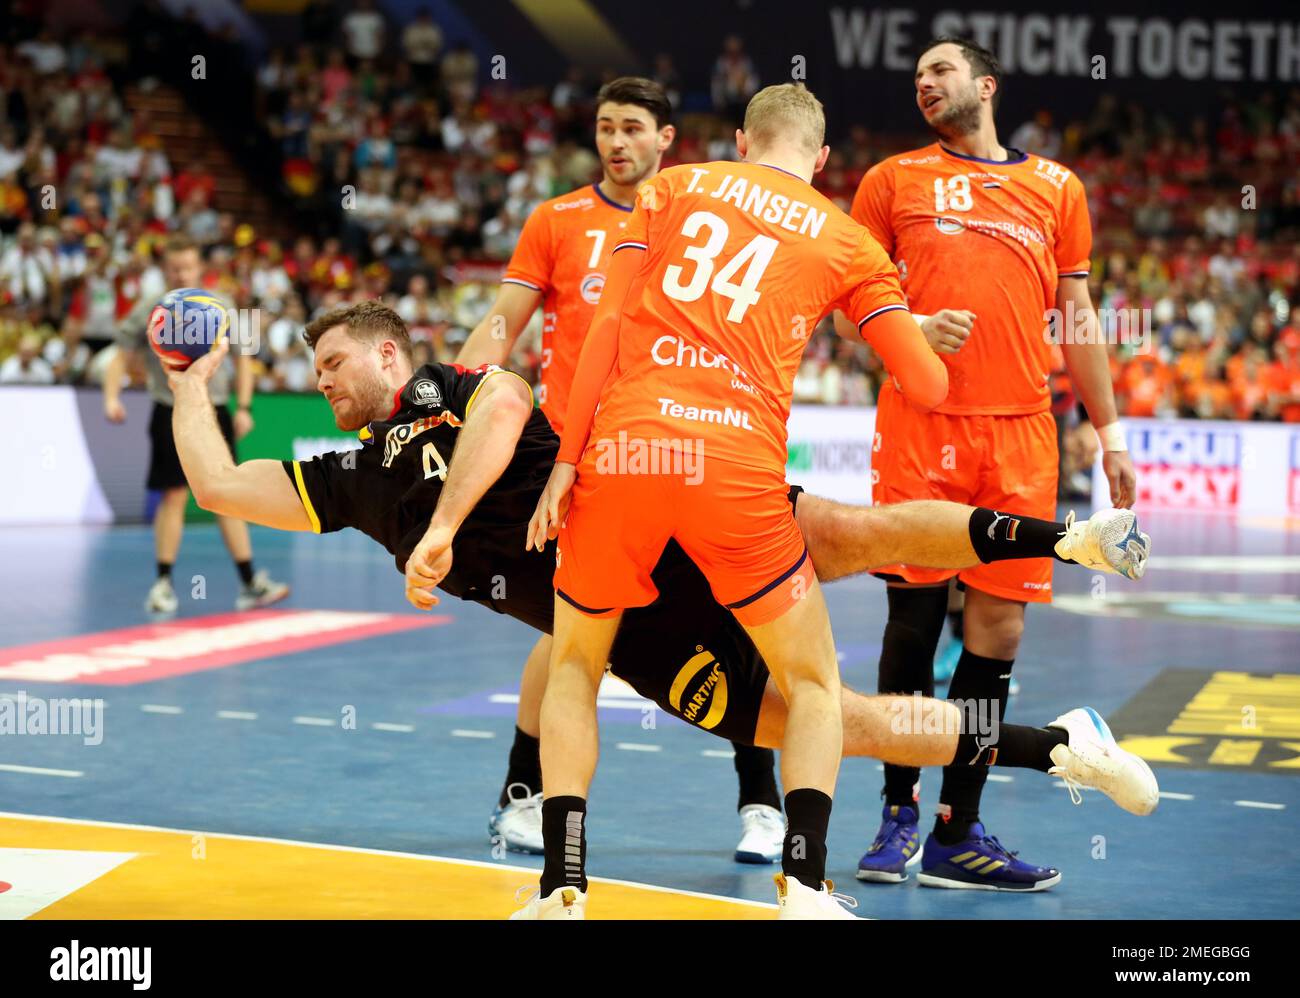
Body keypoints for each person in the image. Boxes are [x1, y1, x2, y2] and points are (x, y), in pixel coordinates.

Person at [167, 301, 1157, 918]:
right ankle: (1059, 743)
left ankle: (1062, 536)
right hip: (633, 626)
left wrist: (442, 529)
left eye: (335, 360)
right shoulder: (343, 480)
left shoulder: (444, 391)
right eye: (315, 368)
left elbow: (511, 404)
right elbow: (214, 482)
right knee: (846, 725)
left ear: (389, 354)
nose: (322, 379)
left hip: (663, 525)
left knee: (861, 532)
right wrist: (188, 386)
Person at [523, 83, 989, 918]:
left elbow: (605, 327)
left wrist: (565, 462)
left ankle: (562, 885)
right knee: (810, 684)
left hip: (625, 449)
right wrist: (915, 328)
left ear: (742, 141)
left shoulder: (671, 186)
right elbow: (926, 384)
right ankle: (804, 887)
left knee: (573, 667)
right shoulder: (847, 241)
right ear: (820, 160)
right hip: (734, 468)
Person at [457, 77, 787, 864]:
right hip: (577, 463)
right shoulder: (558, 220)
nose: (616, 142)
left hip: (686, 451)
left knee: (737, 615)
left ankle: (760, 803)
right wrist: (460, 391)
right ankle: (521, 795)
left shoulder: (700, 217)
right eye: (605, 128)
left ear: (666, 138)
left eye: (633, 128)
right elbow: (500, 325)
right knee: (566, 629)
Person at [837, 37, 1139, 891]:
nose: (925, 84)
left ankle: (956, 827)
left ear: (985, 84)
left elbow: (1077, 316)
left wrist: (1111, 435)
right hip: (921, 422)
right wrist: (905, 333)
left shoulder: (1056, 188)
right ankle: (897, 807)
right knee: (914, 618)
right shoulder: (891, 181)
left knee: (996, 632)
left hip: (1020, 434)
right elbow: (846, 296)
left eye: (941, 71)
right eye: (918, 77)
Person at [102, 236, 289, 614]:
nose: (179, 273)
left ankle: (250, 582)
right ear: (164, 269)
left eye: (186, 267)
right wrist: (110, 396)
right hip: (168, 407)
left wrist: (245, 407)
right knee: (173, 495)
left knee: (228, 494)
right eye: (172, 268)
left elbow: (246, 361)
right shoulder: (150, 308)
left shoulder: (227, 305)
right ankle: (163, 585)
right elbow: (121, 355)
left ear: (199, 267)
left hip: (215, 408)